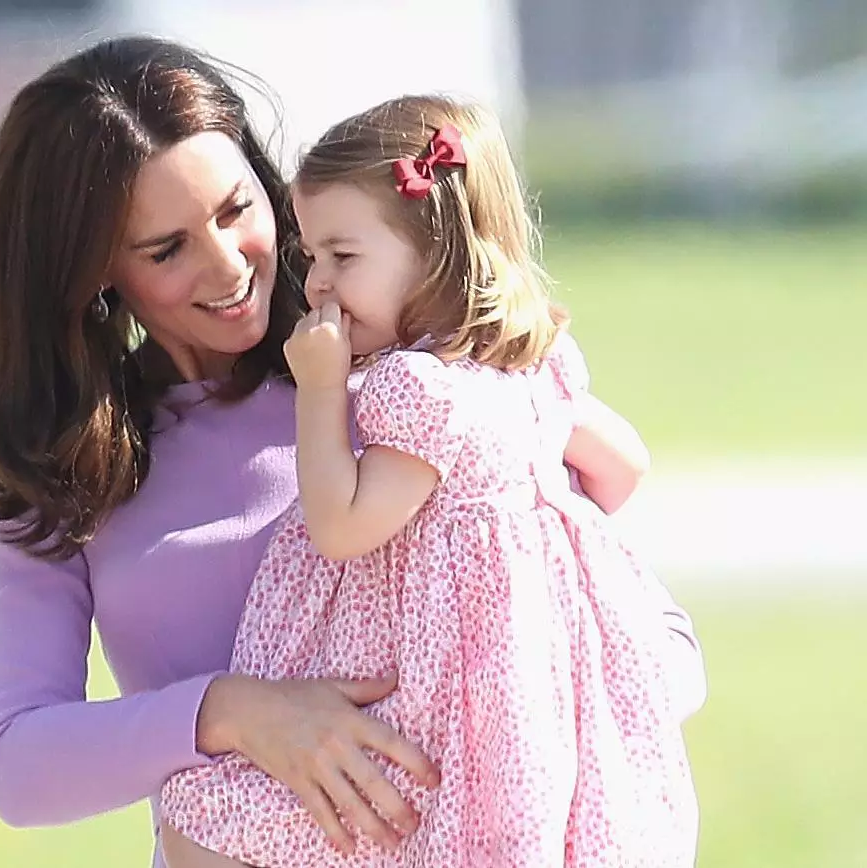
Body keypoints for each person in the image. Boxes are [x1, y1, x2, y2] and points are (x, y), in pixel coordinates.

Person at [0, 37, 706, 868]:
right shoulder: (67, 468)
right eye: (168, 249)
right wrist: (232, 712)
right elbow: (18, 765)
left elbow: (644, 620)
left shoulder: (412, 377)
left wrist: (507, 701)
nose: (230, 265)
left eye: (237, 210)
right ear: (92, 271)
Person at [159, 96, 702, 868]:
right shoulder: (528, 367)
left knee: (207, 819)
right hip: (518, 697)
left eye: (343, 258)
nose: (317, 285)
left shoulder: (416, 390)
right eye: (312, 256)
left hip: (431, 696)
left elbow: (342, 527)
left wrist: (320, 389)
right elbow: (625, 465)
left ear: (436, 250)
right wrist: (546, 537)